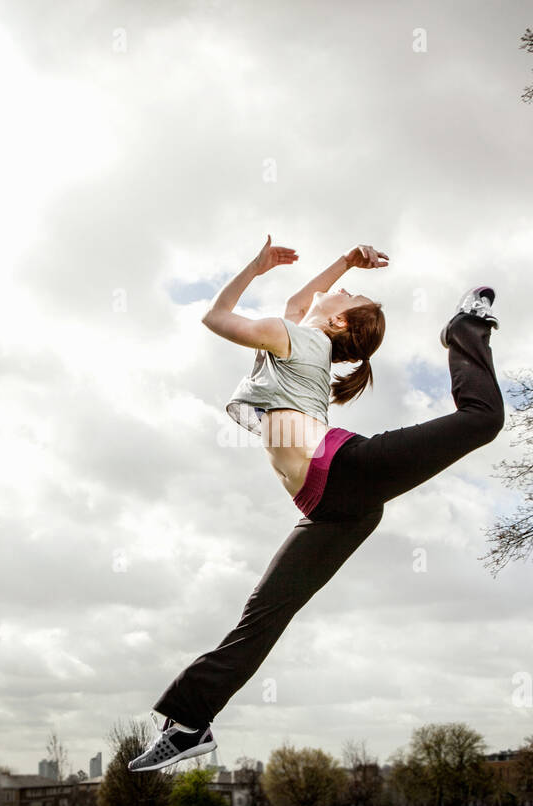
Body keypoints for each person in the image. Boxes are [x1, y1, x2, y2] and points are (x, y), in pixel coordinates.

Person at [129, 235, 505, 771]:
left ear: (337, 324)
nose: (339, 290)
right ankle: (190, 723)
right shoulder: (303, 344)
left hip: (348, 475)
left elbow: (217, 317)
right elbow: (302, 303)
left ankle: (465, 329)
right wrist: (345, 262)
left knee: (483, 420)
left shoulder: (297, 342)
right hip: (331, 506)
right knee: (264, 613)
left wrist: (255, 269)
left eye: (344, 294)